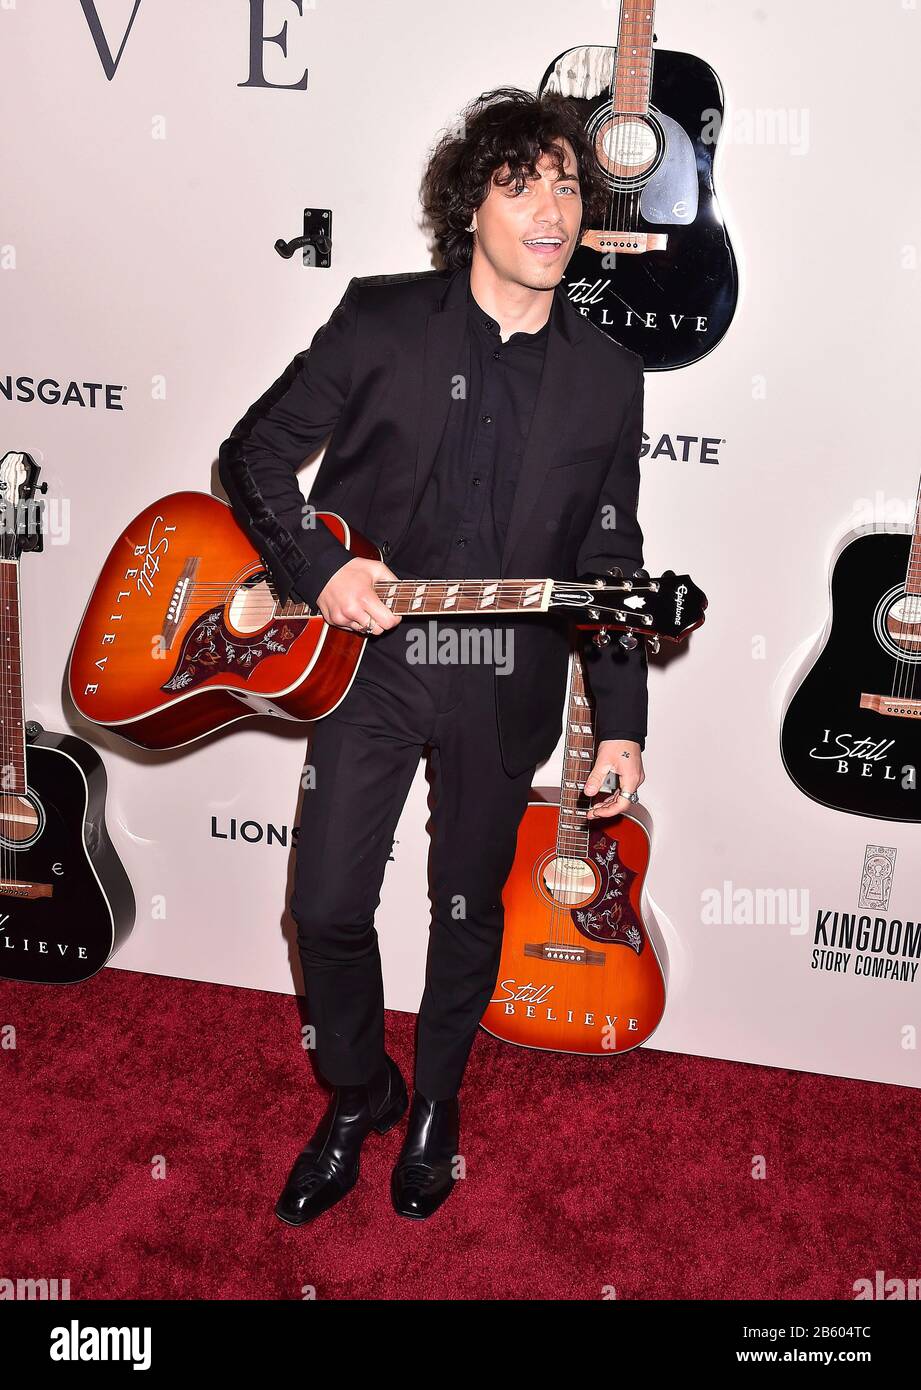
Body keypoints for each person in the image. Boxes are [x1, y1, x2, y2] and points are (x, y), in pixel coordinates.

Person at [218, 87, 649, 1225]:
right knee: (323, 905)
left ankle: (437, 1107)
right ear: (472, 207)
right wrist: (318, 568)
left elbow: (612, 559)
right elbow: (252, 453)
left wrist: (625, 722)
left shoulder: (608, 377)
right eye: (523, 183)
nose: (552, 207)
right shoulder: (379, 321)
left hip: (504, 679)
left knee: (467, 908)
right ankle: (361, 1091)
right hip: (372, 663)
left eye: (568, 185)